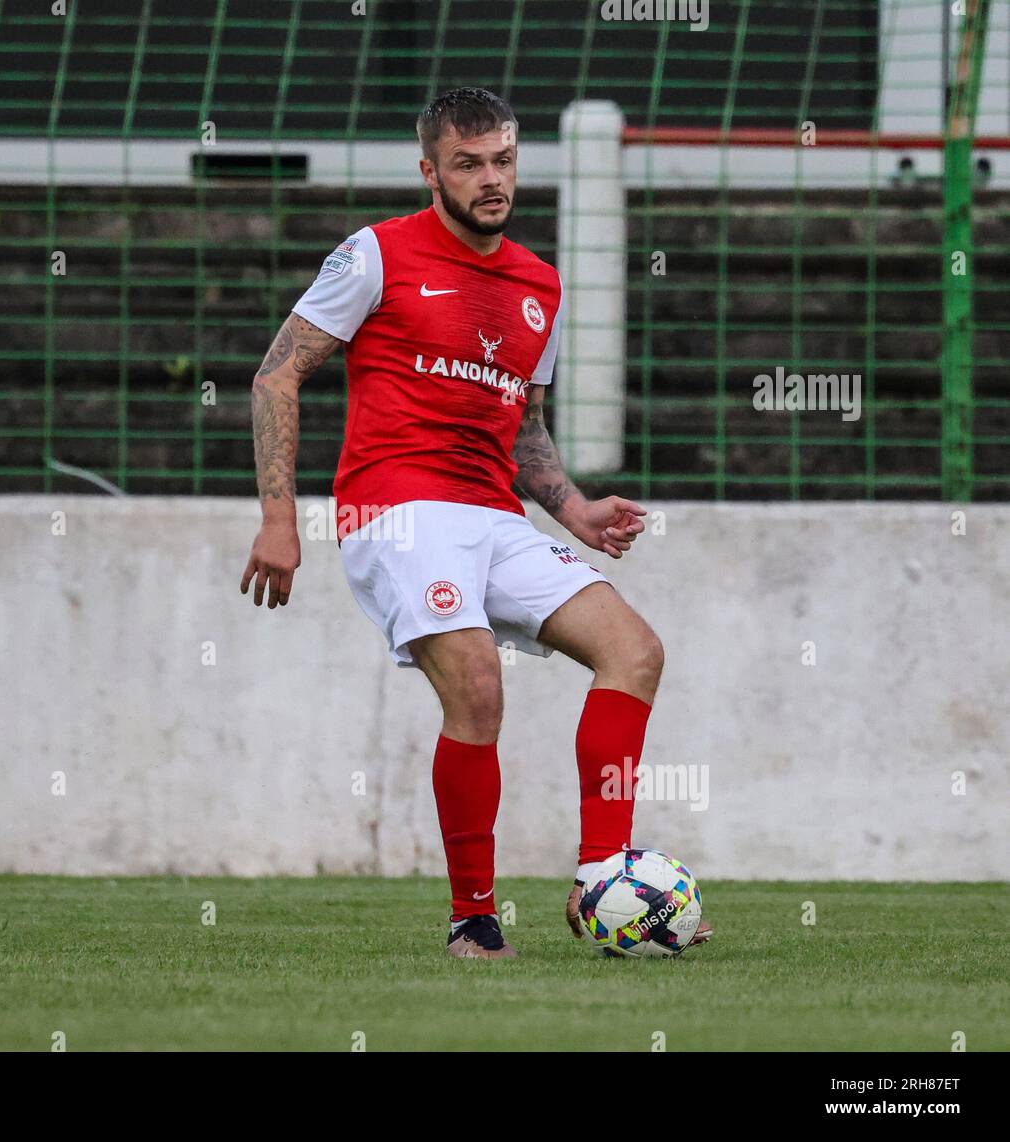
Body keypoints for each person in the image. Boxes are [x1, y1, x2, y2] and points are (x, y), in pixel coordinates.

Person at [241, 87, 712, 959]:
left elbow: (522, 422)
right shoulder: (375, 255)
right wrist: (280, 518)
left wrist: (572, 508)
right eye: (468, 164)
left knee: (635, 651)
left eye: (502, 160)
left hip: (492, 509)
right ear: (431, 171)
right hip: (396, 507)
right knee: (478, 687)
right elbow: (277, 375)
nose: (490, 180)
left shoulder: (541, 284)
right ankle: (474, 921)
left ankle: (601, 878)